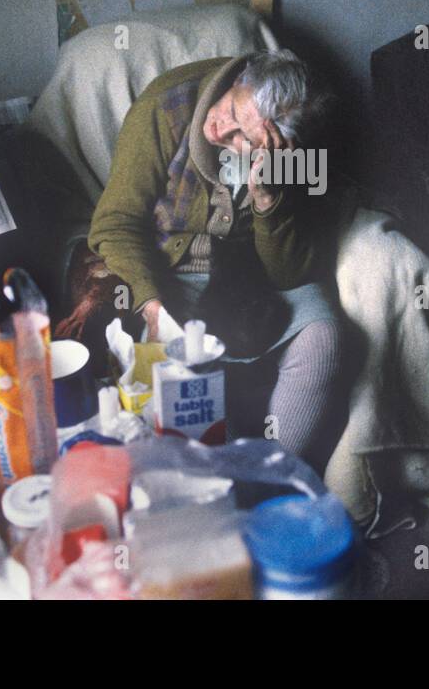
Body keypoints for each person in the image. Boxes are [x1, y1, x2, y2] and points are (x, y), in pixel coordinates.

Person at [87, 49, 346, 473]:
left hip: (247, 274)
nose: (220, 128)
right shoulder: (163, 107)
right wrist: (152, 305)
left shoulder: (295, 156)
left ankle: (268, 480)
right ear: (239, 79)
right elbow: (114, 224)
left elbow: (289, 273)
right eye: (229, 108)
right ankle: (214, 483)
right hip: (167, 267)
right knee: (180, 367)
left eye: (242, 136)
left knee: (323, 337)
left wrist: (269, 197)